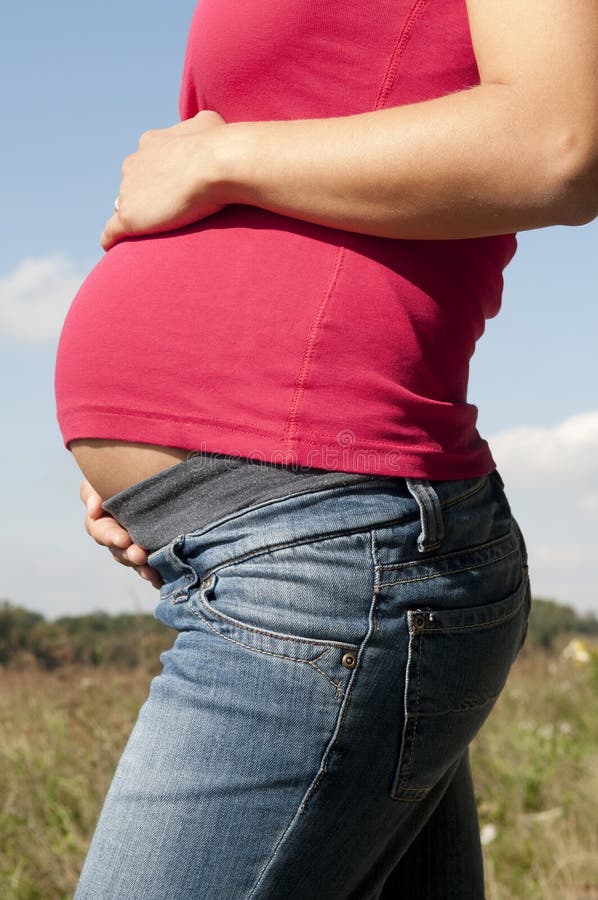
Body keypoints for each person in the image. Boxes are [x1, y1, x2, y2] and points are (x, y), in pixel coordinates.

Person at [54, 0, 597, 896]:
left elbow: (558, 138)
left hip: (330, 549)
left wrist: (222, 155)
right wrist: (149, 457)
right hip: (266, 533)